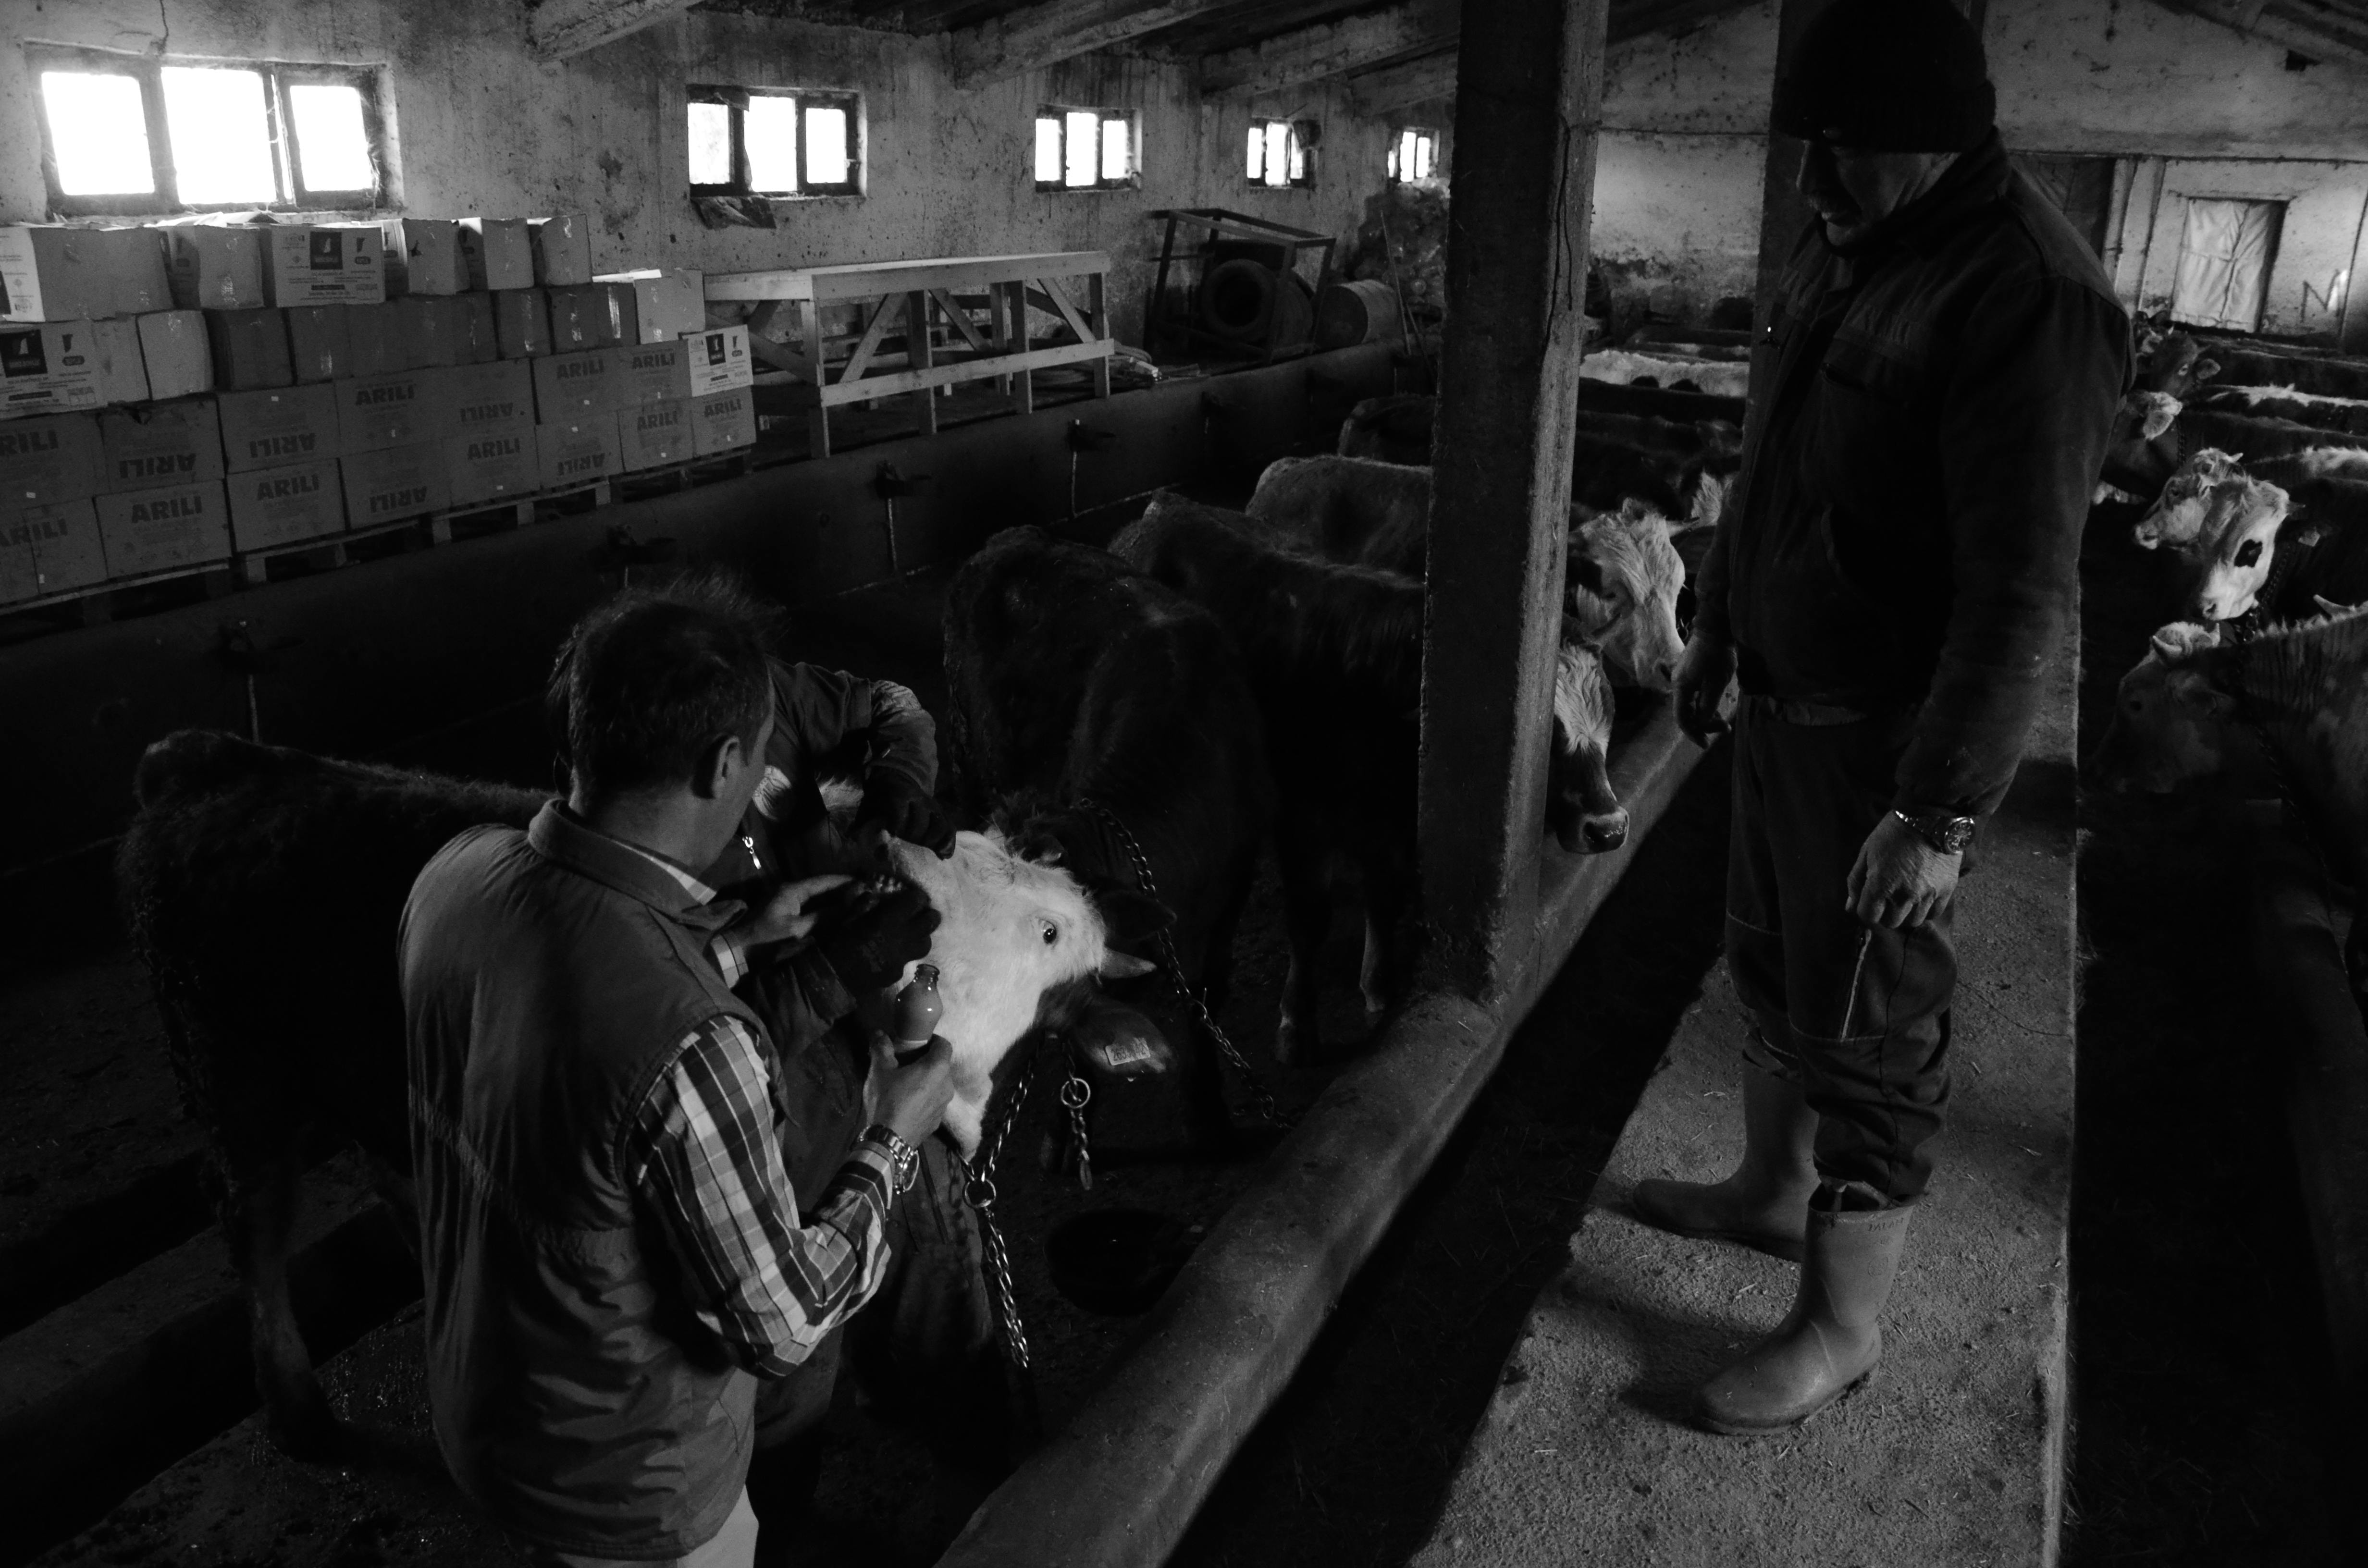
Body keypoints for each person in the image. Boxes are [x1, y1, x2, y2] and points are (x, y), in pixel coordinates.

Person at [1656, 0, 2127, 1434]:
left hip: (1884, 747)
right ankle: (1765, 1193)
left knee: (1873, 1025)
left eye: (1839, 153)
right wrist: (1720, 621)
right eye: (1809, 151)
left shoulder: (2026, 296)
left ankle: (1838, 1330)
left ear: (1930, 143)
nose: (1810, 184)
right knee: (1777, 969)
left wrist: (1935, 813)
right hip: (1790, 706)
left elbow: (2021, 592)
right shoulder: (1855, 245)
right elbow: (1772, 455)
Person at [400, 579, 956, 1567]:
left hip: (484, 1410)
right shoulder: (701, 1048)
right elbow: (778, 1327)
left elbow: (589, 1032)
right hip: (630, 1485)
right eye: (753, 775)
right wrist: (892, 1139)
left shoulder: (455, 880)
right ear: (725, 762)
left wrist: (749, 942)